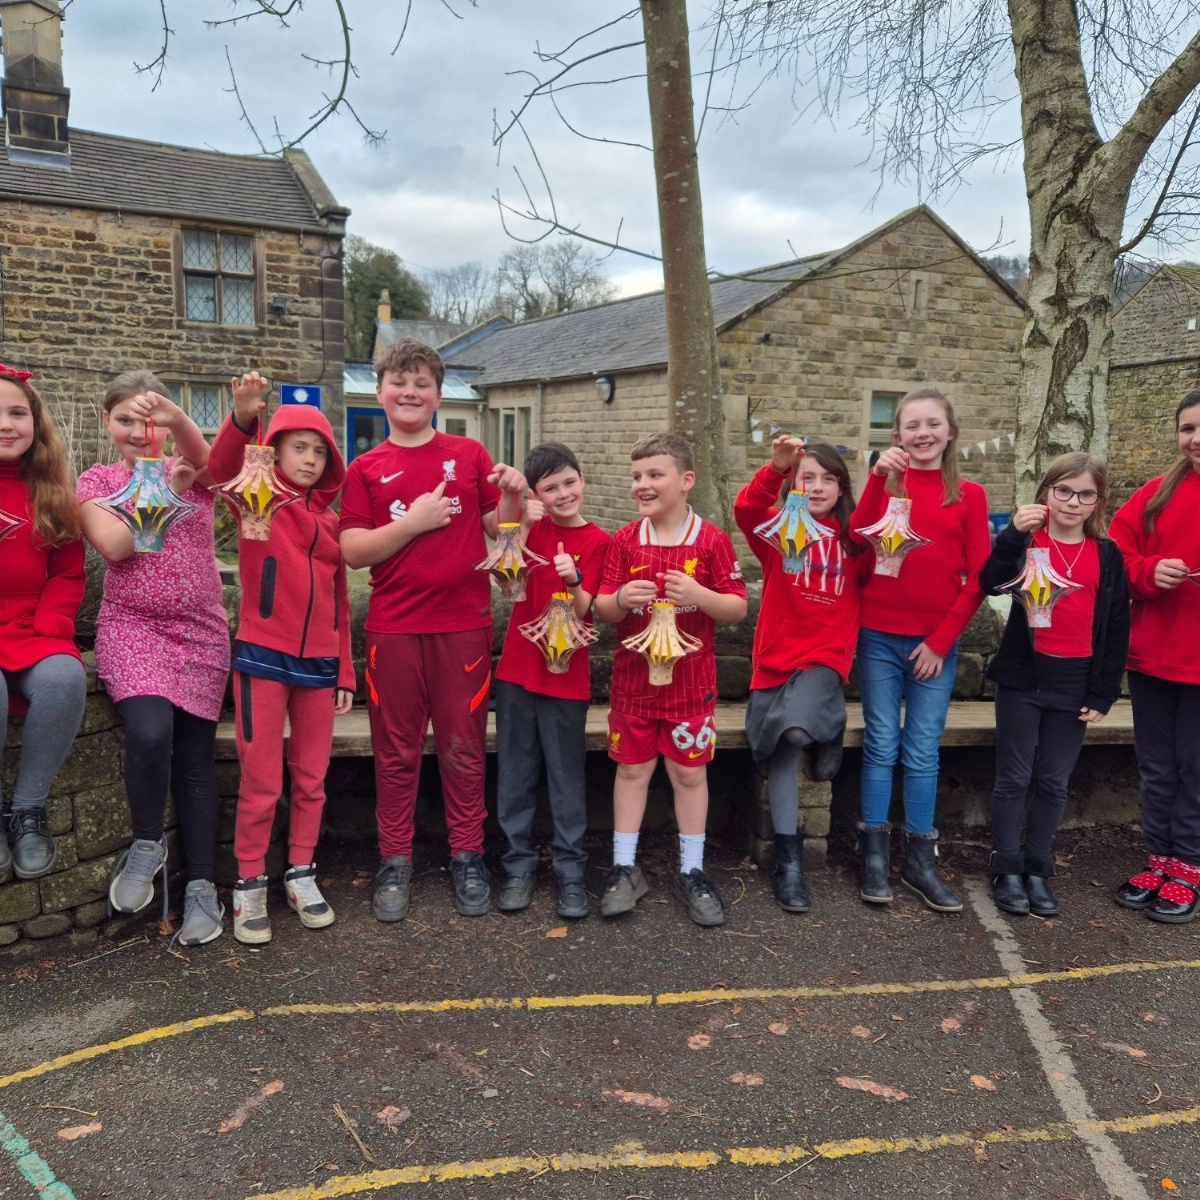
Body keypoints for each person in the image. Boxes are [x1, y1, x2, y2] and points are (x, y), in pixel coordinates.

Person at [339, 339, 526, 921]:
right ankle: (395, 858)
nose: (410, 392)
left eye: (422, 384)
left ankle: (467, 854)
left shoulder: (468, 453)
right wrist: (416, 523)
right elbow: (352, 550)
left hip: (463, 627)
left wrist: (516, 493)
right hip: (393, 629)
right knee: (395, 751)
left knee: (463, 748)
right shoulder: (364, 468)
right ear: (381, 394)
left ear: (439, 395)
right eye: (399, 382)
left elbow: (505, 534)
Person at [78, 372, 230, 945]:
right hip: (134, 628)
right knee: (148, 732)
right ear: (106, 423)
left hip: (201, 635)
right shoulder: (95, 482)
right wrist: (161, 489)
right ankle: (147, 843)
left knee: (195, 763)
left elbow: (216, 462)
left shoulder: (194, 472)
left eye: (150, 421)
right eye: (125, 421)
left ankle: (201, 890)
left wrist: (181, 429)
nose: (140, 433)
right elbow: (119, 546)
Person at [206, 372, 355, 945]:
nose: (312, 459)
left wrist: (346, 670)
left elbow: (341, 603)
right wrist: (244, 418)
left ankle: (301, 873)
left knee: (311, 780)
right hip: (263, 660)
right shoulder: (256, 499)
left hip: (319, 668)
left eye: (321, 451)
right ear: (275, 448)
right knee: (262, 781)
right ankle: (249, 885)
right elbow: (219, 471)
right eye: (300, 447)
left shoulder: (333, 522)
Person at [594, 432, 748, 927]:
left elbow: (737, 608)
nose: (643, 484)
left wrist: (700, 593)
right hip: (632, 685)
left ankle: (692, 870)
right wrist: (620, 601)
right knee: (632, 771)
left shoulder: (713, 541)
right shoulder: (622, 540)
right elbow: (601, 608)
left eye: (654, 475)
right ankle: (623, 867)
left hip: (691, 687)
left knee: (689, 773)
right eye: (637, 475)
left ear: (686, 482)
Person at [851, 386, 990, 912]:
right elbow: (859, 537)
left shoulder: (969, 496)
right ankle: (874, 853)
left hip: (936, 641)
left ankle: (920, 856)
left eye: (933, 424)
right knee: (882, 742)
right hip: (878, 636)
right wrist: (877, 480)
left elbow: (978, 577)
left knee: (922, 748)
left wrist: (940, 642)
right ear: (897, 435)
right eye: (912, 425)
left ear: (950, 433)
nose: (923, 433)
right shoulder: (887, 484)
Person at [979, 453, 1128, 918]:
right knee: (1014, 776)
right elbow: (991, 582)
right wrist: (1011, 535)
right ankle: (1006, 867)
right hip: (1025, 676)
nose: (1072, 501)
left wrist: (1104, 691)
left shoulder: (1106, 553)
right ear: (1046, 492)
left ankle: (1038, 868)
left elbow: (1118, 624)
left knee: (1053, 780)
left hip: (1077, 681)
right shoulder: (1027, 542)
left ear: (1097, 502)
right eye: (1063, 490)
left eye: (1085, 494)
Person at [734, 438, 870, 912]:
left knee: (792, 732)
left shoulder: (856, 540)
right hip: (774, 661)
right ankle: (788, 861)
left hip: (825, 658)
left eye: (827, 478)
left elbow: (892, 550)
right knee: (770, 747)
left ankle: (825, 726)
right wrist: (775, 467)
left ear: (841, 487)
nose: (816, 486)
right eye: (806, 477)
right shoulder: (777, 532)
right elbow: (746, 509)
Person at [493, 443, 612, 919]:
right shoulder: (533, 529)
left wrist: (575, 577)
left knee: (566, 778)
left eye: (570, 482)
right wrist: (520, 518)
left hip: (567, 679)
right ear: (537, 493)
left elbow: (586, 613)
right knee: (516, 776)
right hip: (518, 674)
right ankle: (518, 866)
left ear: (582, 481)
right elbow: (508, 584)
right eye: (551, 487)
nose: (564, 493)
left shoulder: (602, 541)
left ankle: (570, 871)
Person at [1109, 391, 1200, 923]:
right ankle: (1159, 858)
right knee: (1158, 769)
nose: (1196, 439)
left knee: (1195, 770)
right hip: (1152, 659)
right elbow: (1115, 556)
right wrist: (1148, 573)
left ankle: (1189, 863)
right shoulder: (1153, 494)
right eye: (1187, 428)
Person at [0, 365, 87, 881]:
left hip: (33, 627)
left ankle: (27, 811)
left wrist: (53, 626)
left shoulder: (52, 492)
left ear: (35, 424)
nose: (6, 424)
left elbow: (68, 571)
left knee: (65, 677)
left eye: (17, 413)